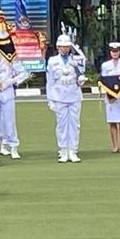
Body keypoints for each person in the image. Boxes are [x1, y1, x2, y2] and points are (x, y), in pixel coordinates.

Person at [47, 34, 86, 163]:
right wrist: (50, 99)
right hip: (59, 95)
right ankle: (63, 150)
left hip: (74, 94)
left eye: (67, 47)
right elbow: (50, 81)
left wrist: (81, 80)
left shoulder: (75, 60)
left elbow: (80, 75)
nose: (65, 49)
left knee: (75, 124)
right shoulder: (53, 61)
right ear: (58, 47)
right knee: (61, 125)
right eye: (62, 47)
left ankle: (73, 150)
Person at [0, 50, 28, 160]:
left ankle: (13, 146)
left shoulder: (11, 58)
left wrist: (10, 81)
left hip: (7, 91)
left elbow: (24, 73)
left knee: (9, 120)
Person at [100, 41, 120, 153]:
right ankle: (115, 145)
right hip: (110, 97)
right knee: (112, 122)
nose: (115, 53)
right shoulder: (105, 65)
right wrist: (109, 94)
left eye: (116, 51)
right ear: (110, 52)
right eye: (113, 51)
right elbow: (103, 81)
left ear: (119, 52)